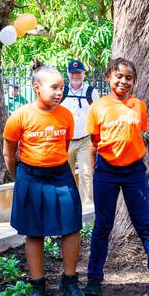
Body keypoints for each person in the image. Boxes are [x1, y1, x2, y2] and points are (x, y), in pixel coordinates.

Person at [84, 57, 149, 296]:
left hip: (134, 172)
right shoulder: (98, 106)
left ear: (134, 81)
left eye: (129, 78)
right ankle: (94, 278)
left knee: (143, 221)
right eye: (119, 76)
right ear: (108, 77)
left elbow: (137, 135)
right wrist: (95, 174)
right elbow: (93, 145)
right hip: (106, 171)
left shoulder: (138, 106)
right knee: (103, 225)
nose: (123, 81)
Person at [3, 65, 85, 296]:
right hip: (30, 176)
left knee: (71, 227)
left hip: (60, 175)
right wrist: (20, 178)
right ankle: (37, 284)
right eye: (54, 87)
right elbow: (9, 154)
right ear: (36, 88)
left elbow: (65, 146)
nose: (60, 91)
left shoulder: (66, 115)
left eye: (62, 87)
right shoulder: (20, 116)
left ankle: (69, 281)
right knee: (34, 231)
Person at [60, 59, 96, 204]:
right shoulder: (63, 91)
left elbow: (97, 113)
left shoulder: (91, 92)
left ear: (83, 74)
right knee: (66, 173)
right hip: (66, 140)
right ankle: (68, 204)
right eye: (73, 73)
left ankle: (87, 206)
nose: (76, 76)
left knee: (86, 173)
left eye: (78, 73)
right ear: (68, 74)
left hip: (85, 139)